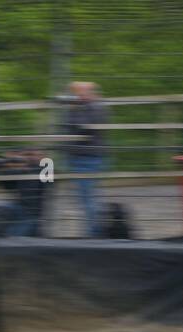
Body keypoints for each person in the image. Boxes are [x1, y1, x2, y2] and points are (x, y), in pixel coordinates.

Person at [61, 81, 109, 238]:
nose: (76, 95)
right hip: (77, 156)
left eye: (79, 92)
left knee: (88, 198)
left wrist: (76, 107)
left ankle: (93, 234)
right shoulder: (80, 107)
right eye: (75, 92)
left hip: (88, 158)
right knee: (84, 198)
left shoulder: (96, 107)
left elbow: (84, 127)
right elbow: (67, 126)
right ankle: (93, 230)